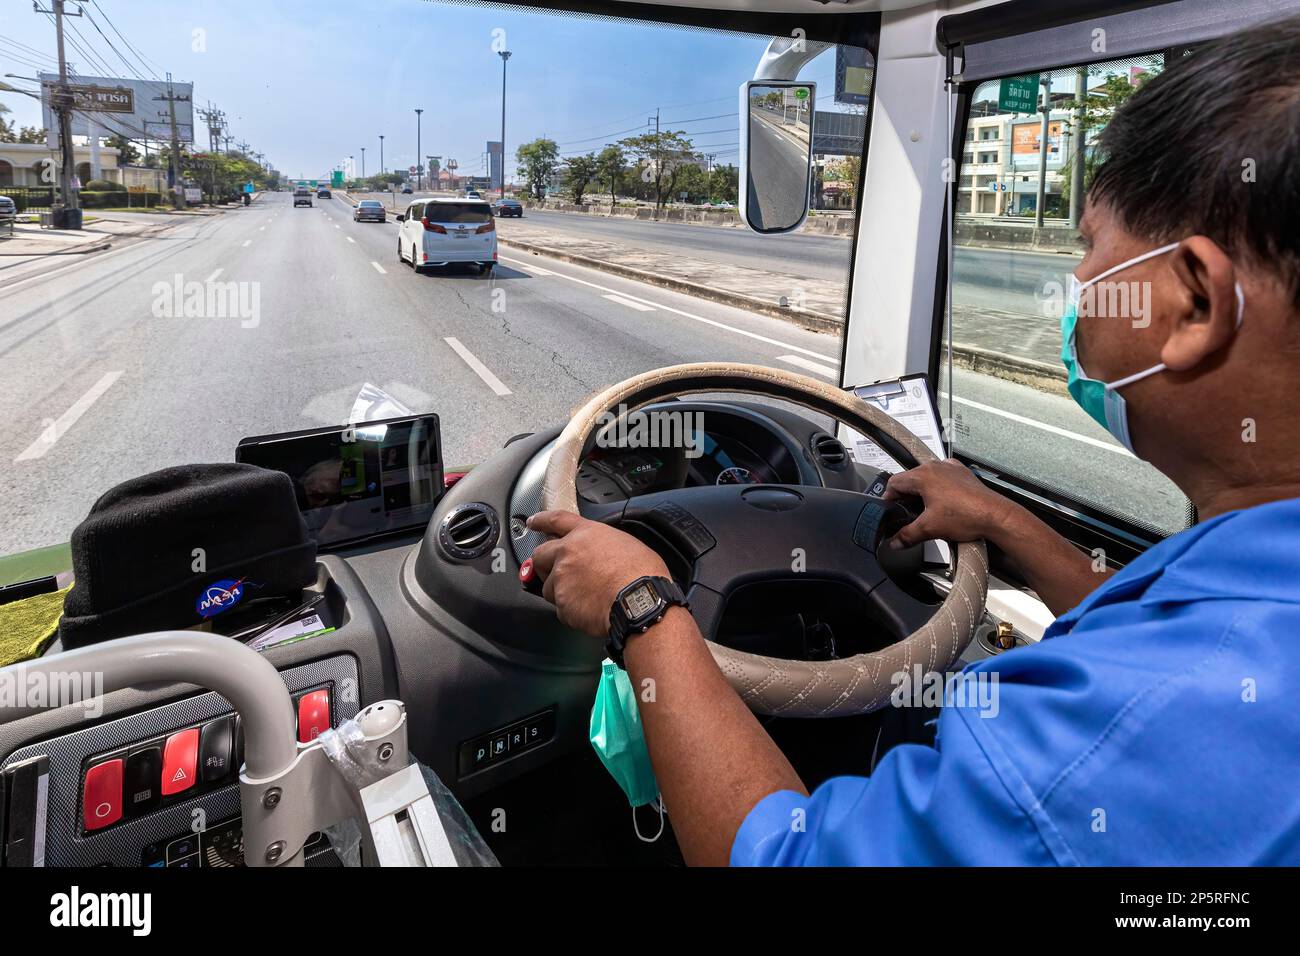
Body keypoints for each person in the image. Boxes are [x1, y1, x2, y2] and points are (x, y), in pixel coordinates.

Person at [527, 17, 1300, 866]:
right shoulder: (1238, 606)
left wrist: (642, 604)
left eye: (1089, 248)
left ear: (1192, 304)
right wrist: (1002, 522)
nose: (1077, 285)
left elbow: (785, 855)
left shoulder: (1098, 751)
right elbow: (1158, 628)